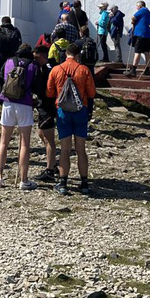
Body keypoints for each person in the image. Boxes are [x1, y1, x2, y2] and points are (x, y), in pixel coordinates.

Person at [47, 43, 96, 195]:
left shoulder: (56, 69)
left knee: (65, 149)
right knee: (81, 149)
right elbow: (92, 93)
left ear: (66, 53)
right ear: (78, 54)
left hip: (63, 111)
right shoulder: (83, 69)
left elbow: (49, 92)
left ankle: (63, 183)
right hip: (80, 110)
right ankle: (84, 182)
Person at [0, 45, 40, 190]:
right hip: (25, 104)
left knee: (3, 142)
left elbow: (0, 79)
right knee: (25, 143)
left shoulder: (8, 62)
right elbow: (37, 86)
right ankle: (24, 180)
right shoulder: (33, 65)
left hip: (8, 102)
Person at [31, 45, 59, 182]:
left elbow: (43, 87)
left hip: (47, 106)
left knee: (49, 140)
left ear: (40, 55)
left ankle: (50, 170)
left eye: (35, 57)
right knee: (41, 133)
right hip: (45, 105)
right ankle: (52, 163)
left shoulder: (46, 69)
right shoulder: (51, 66)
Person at [124, 1, 150, 78]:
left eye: (137, 6)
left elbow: (133, 17)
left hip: (141, 34)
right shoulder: (148, 12)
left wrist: (133, 21)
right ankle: (147, 69)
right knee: (146, 52)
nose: (136, 8)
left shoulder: (142, 10)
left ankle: (133, 70)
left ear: (140, 6)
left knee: (138, 52)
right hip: (148, 35)